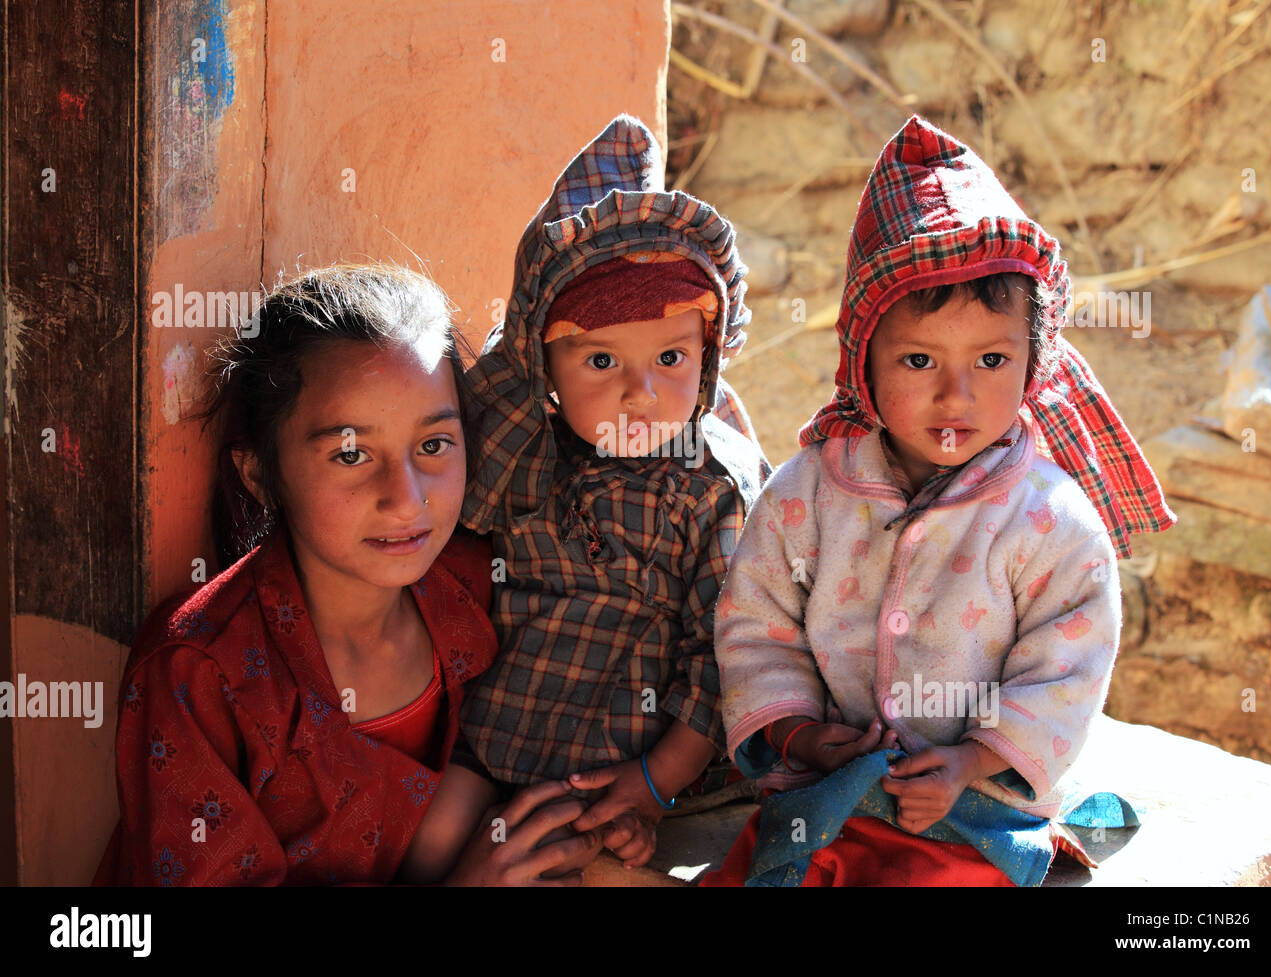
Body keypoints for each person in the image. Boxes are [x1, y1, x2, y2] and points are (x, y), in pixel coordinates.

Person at [703, 116, 1173, 886]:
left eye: (991, 358)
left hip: (976, 815)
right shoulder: (807, 495)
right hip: (826, 795)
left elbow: (1067, 669)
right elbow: (757, 626)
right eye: (918, 359)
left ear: (1032, 363)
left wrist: (970, 762)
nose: (957, 393)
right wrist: (798, 736)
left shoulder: (1051, 521)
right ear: (862, 361)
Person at [94, 264, 607, 885]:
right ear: (260, 474)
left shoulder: (479, 589)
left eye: (435, 444)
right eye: (350, 454)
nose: (405, 498)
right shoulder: (200, 673)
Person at [455, 115, 771, 869]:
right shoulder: (531, 448)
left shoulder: (713, 488)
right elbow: (462, 501)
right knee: (435, 839)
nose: (641, 393)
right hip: (493, 740)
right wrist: (520, 379)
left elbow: (717, 664)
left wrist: (651, 789)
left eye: (671, 356)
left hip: (622, 763)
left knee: (593, 863)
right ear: (544, 368)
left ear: (709, 356)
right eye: (599, 359)